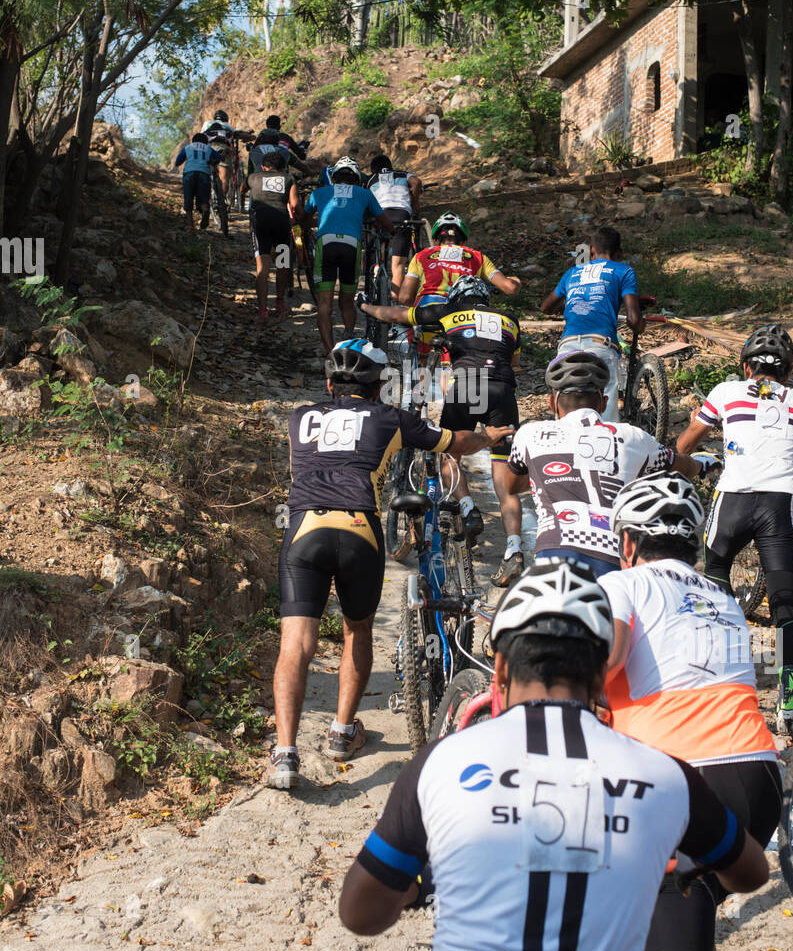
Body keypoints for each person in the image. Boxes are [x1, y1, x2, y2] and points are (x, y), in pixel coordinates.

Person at [339, 559, 769, 951]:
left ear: (500, 668)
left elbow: (359, 914)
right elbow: (751, 873)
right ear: (602, 671)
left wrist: (416, 887)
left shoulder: (441, 762)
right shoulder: (668, 777)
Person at [268, 339, 514, 790]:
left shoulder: (298, 417)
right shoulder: (390, 417)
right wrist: (490, 436)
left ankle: (285, 753)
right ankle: (342, 733)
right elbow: (453, 442)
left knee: (295, 643)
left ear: (328, 384)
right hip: (360, 526)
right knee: (357, 630)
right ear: (379, 387)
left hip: (304, 526)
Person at [601, 472, 781, 951]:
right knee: (692, 921)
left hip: (679, 782)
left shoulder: (623, 584)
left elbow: (604, 661)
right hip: (757, 776)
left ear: (628, 543)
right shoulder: (722, 595)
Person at [675, 323, 793, 739]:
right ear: (788, 373)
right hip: (779, 505)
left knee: (714, 584)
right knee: (786, 609)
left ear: (744, 367)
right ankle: (788, 707)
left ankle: (716, 688)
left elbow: (685, 443)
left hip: (732, 502)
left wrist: (692, 451)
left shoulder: (724, 393)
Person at [360, 274, 523, 585]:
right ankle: (514, 549)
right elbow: (514, 361)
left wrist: (366, 306)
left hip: (467, 386)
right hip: (503, 391)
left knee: (449, 453)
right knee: (505, 482)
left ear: (458, 297)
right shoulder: (509, 319)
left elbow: (397, 314)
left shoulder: (447, 312)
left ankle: (467, 508)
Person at [505, 350, 705, 578]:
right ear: (604, 403)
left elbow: (510, 486)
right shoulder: (633, 436)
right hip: (615, 557)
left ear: (552, 402)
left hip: (555, 550)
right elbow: (681, 464)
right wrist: (701, 465)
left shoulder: (529, 434)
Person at [541, 226, 644, 423]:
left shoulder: (572, 272)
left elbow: (546, 307)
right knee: (606, 416)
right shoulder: (623, 271)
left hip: (568, 346)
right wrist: (640, 326)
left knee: (565, 405)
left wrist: (569, 304)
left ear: (591, 249)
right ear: (619, 253)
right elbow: (633, 319)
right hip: (600, 346)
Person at [302, 156, 394, 354]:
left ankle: (329, 352)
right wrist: (392, 231)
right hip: (351, 245)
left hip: (325, 244)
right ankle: (349, 341)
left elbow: (304, 217)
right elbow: (385, 222)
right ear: (356, 179)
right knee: (346, 299)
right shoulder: (364, 194)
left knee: (325, 302)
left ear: (334, 178)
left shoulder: (318, 192)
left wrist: (310, 224)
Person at [398, 212, 521, 313]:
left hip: (428, 313)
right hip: (464, 316)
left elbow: (404, 298)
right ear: (463, 242)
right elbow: (510, 288)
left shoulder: (421, 256)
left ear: (435, 241)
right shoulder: (478, 257)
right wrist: (516, 281)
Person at [248, 150, 299, 323]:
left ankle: (262, 310)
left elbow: (242, 189)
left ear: (263, 167)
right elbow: (294, 204)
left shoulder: (254, 177)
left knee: (262, 267)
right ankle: (280, 303)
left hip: (261, 222)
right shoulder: (289, 178)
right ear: (283, 167)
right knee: (283, 263)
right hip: (282, 223)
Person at [366, 153, 422, 297]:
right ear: (390, 166)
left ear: (373, 170)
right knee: (398, 265)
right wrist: (414, 203)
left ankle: (375, 267)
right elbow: (416, 182)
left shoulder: (370, 179)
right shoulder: (402, 174)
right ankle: (395, 300)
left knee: (374, 245)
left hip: (380, 215)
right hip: (401, 215)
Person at [173, 132, 223, 232]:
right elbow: (218, 158)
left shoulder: (188, 147)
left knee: (189, 197)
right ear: (206, 141)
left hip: (189, 174)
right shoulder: (208, 148)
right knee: (204, 197)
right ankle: (205, 210)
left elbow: (178, 162)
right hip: (204, 173)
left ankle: (190, 225)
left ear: (193, 140)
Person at [201, 109, 235, 214]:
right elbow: (237, 135)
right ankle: (221, 200)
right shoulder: (229, 127)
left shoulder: (207, 124)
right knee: (224, 179)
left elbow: (202, 135)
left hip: (208, 148)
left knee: (206, 175)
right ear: (226, 119)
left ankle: (207, 199)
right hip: (223, 148)